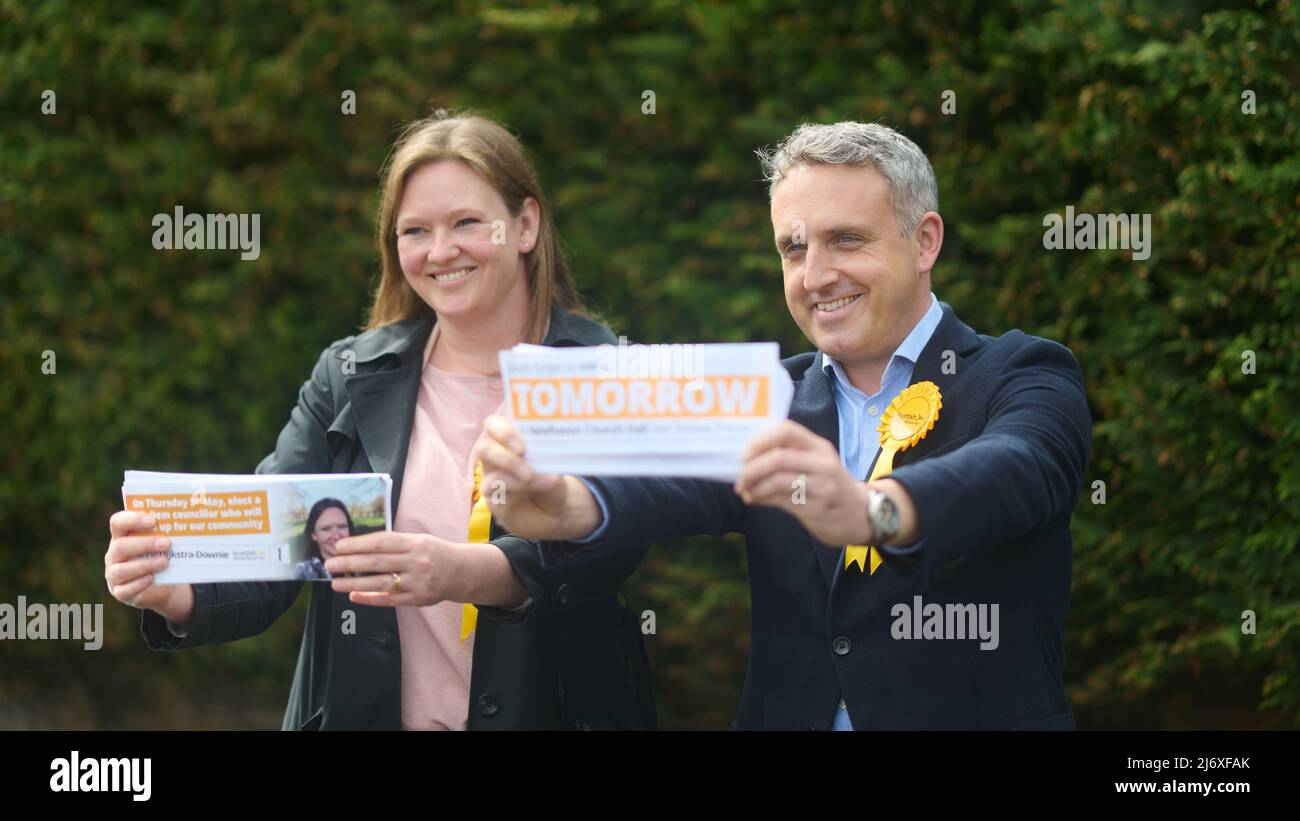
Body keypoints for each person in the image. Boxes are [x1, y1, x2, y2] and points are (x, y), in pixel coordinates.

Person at [475, 121, 1092, 730]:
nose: (815, 275)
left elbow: (1017, 469)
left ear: (925, 241)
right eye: (794, 249)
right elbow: (669, 483)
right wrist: (565, 503)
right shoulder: (773, 395)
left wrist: (875, 512)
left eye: (846, 240)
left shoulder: (1024, 370)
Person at [104, 110, 654, 730]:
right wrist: (172, 593)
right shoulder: (345, 374)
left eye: (467, 223)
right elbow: (276, 548)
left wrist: (458, 572)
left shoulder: (603, 372)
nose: (440, 251)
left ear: (525, 225)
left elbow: (612, 545)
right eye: (415, 230)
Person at [291, 499, 353, 581]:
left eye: (342, 526)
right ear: (313, 534)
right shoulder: (303, 573)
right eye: (326, 529)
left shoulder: (364, 565)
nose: (336, 536)